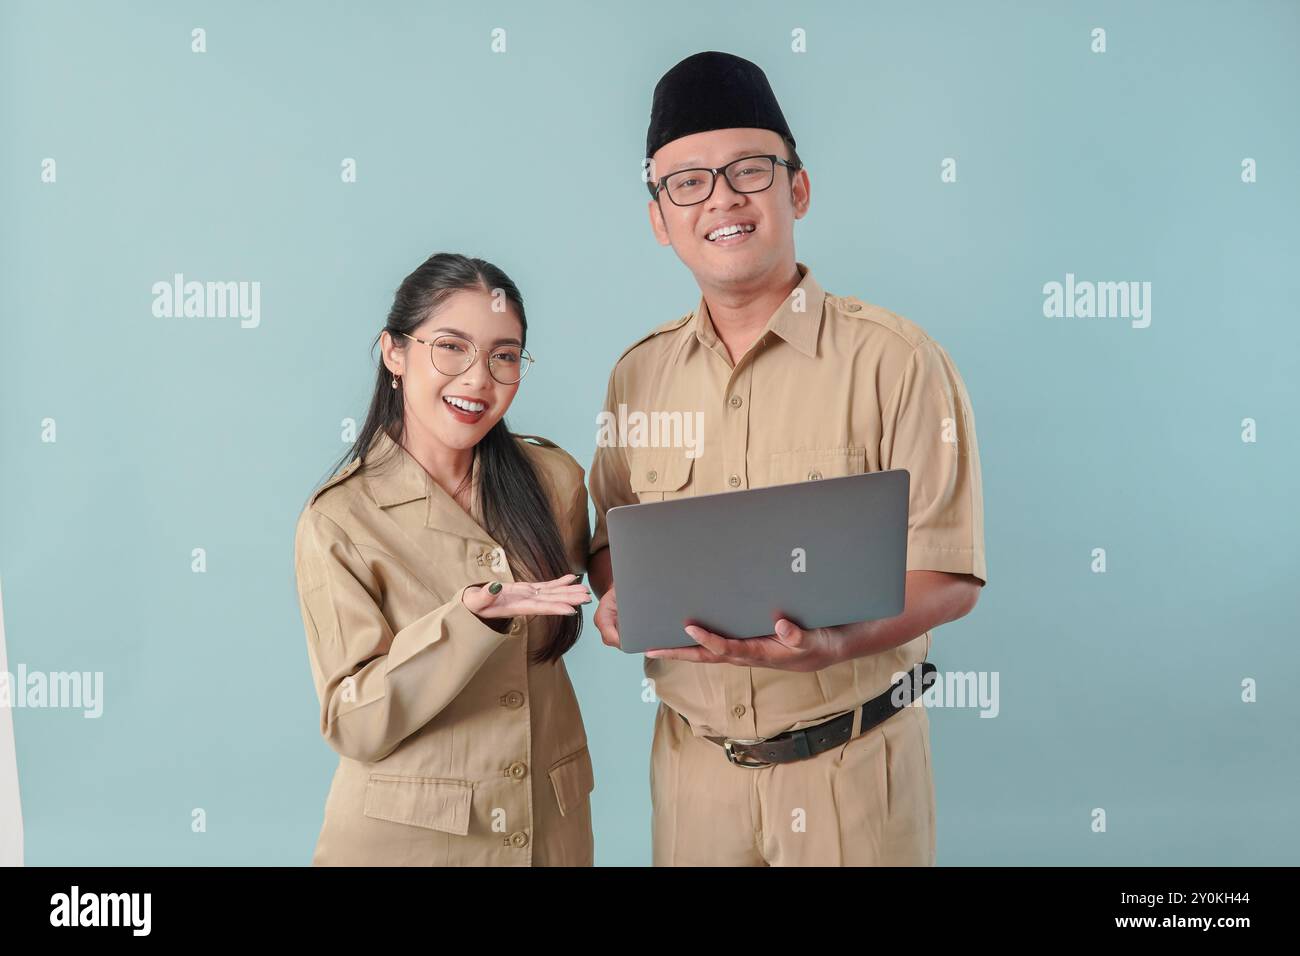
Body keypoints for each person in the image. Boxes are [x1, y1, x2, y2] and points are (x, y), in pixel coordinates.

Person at [587, 52, 988, 866]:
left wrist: (837, 644)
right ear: (660, 218)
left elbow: (950, 574)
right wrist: (617, 597)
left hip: (850, 773)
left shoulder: (897, 362)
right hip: (694, 776)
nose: (723, 199)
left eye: (749, 171)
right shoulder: (638, 374)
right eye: (687, 183)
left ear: (795, 189)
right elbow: (611, 542)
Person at [294, 252, 595, 866]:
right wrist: (469, 623)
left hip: (548, 834)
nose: (478, 380)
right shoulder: (339, 519)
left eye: (503, 356)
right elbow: (353, 724)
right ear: (394, 353)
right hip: (408, 845)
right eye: (452, 347)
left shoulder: (556, 482)